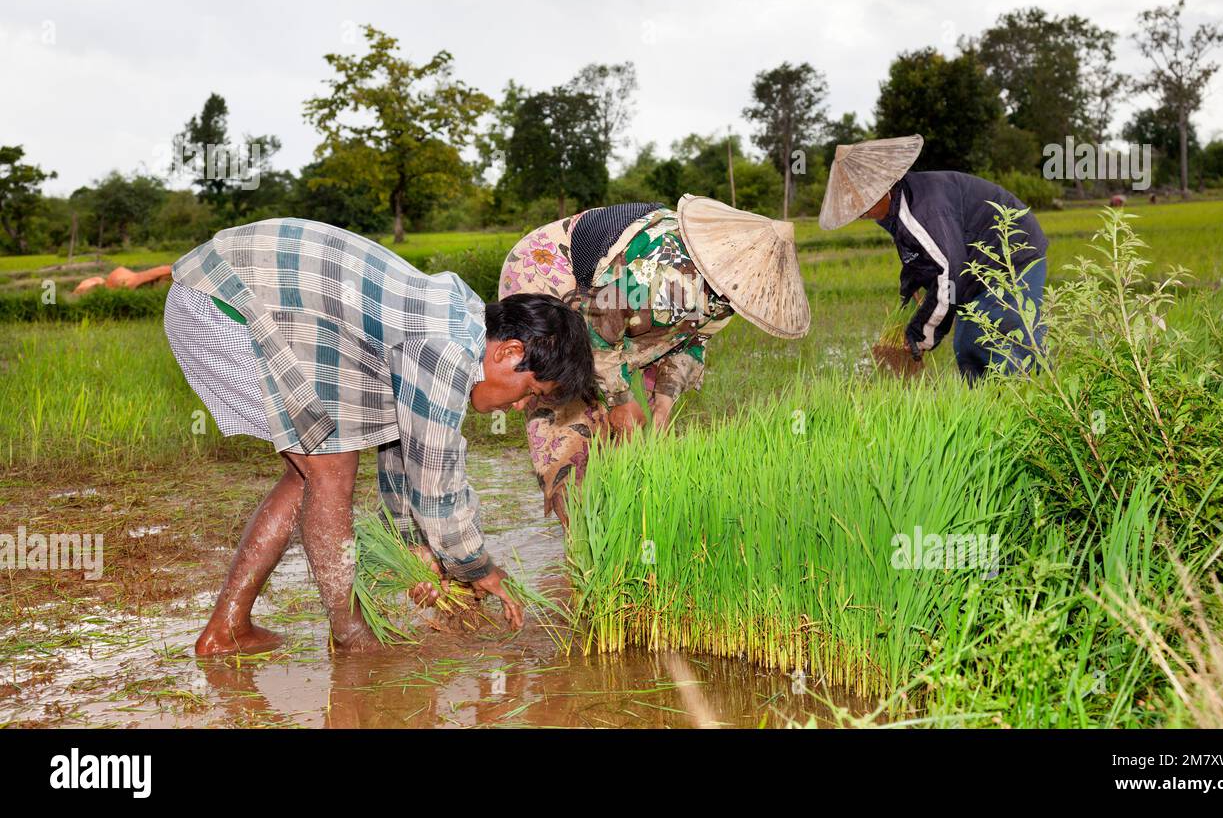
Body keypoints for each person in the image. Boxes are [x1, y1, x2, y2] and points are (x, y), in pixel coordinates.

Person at [164, 218, 595, 656]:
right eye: (531, 393)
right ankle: (350, 636)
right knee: (330, 469)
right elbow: (434, 483)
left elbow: (400, 447)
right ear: (510, 353)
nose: (520, 407)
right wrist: (477, 567)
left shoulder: (461, 323)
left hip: (252, 296)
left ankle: (228, 629)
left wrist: (415, 549)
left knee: (311, 472)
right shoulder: (444, 349)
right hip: (222, 299)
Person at [498, 195, 810, 524]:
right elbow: (594, 326)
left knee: (639, 424)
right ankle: (579, 535)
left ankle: (616, 520)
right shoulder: (658, 272)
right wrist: (619, 397)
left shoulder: (726, 291)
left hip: (621, 301)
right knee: (566, 400)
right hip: (553, 272)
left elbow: (690, 340)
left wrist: (663, 406)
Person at [819, 135, 1048, 382]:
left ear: (881, 190)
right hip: (976, 262)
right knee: (968, 344)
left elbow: (949, 272)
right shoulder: (898, 206)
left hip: (1012, 253)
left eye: (859, 203)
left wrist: (921, 333)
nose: (858, 212)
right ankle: (986, 409)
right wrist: (915, 285)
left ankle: (1030, 402)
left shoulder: (924, 209)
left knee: (1001, 336)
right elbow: (925, 255)